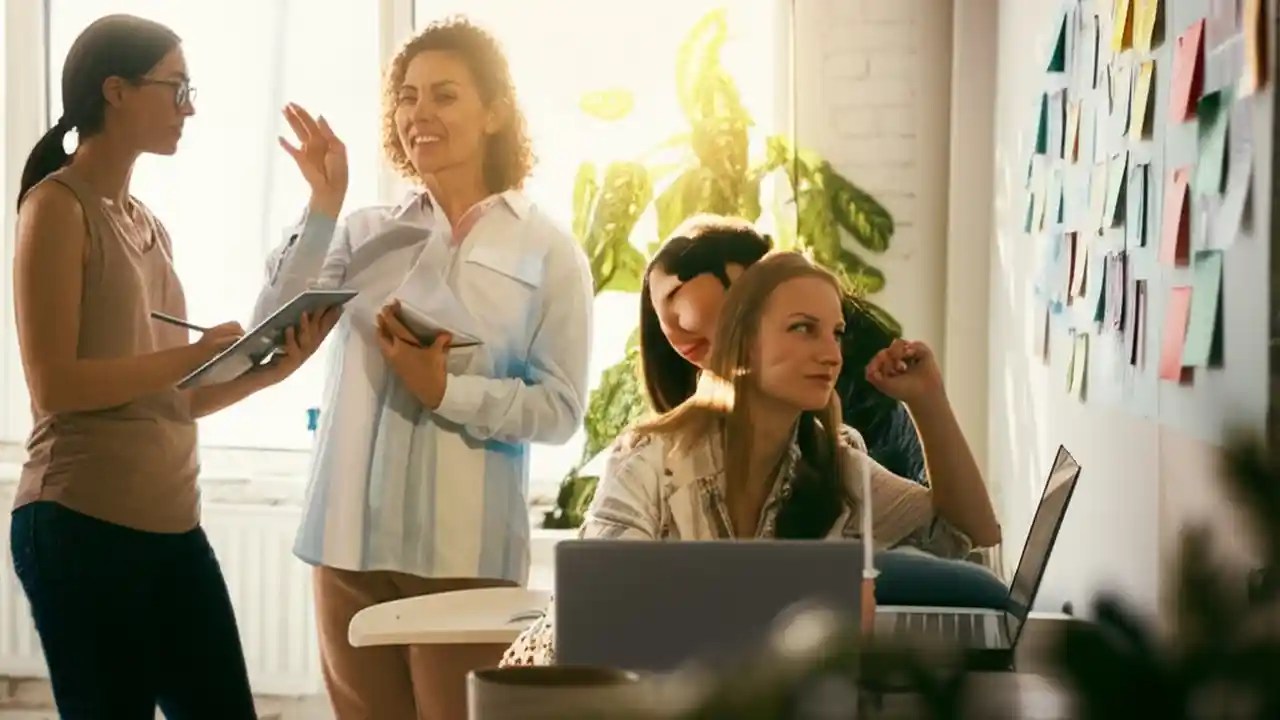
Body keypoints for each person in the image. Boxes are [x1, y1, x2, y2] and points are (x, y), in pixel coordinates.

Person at [252, 16, 593, 720]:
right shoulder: (366, 229)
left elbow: (559, 409)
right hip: (345, 544)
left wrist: (448, 391)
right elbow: (273, 321)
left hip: (465, 553)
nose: (418, 114)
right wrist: (322, 204)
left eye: (443, 95)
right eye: (406, 97)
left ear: (495, 111)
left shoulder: (551, 251)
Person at [8, 14, 336, 719]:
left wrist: (269, 371)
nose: (191, 106)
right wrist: (193, 354)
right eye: (177, 88)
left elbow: (172, 399)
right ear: (117, 91)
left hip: (172, 529)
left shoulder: (147, 222)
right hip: (80, 524)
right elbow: (54, 383)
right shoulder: (56, 208)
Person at [501, 252, 1000, 666]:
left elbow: (968, 534)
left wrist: (928, 401)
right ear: (743, 344)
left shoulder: (835, 461)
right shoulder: (651, 456)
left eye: (836, 333)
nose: (830, 354)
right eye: (803, 329)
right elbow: (599, 617)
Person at [639, 214, 928, 484]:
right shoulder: (663, 456)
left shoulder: (847, 434)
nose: (677, 326)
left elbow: (938, 527)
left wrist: (929, 402)